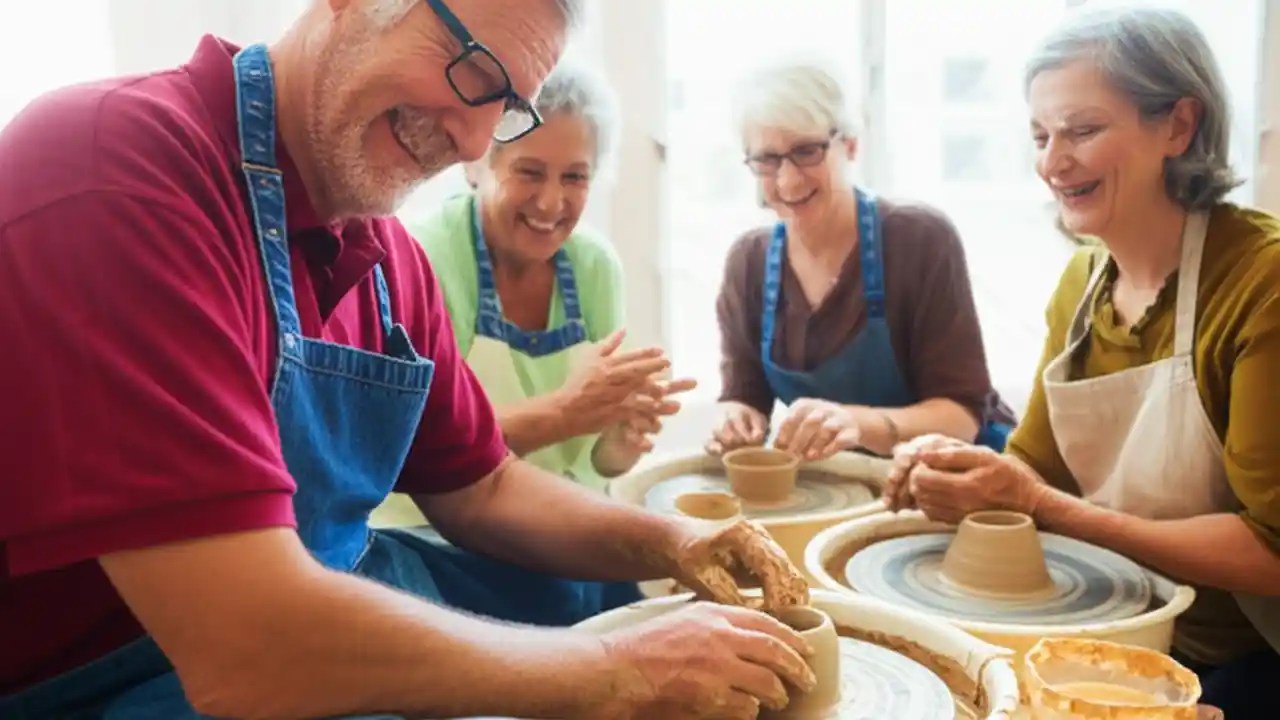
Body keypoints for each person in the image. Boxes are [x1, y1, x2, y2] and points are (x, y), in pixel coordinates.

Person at [0, 1, 816, 718]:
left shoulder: (386, 255)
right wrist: (612, 673)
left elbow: (484, 488)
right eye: (472, 70)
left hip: (342, 582)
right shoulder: (115, 168)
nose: (469, 140)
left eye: (505, 109)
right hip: (131, 666)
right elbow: (246, 649)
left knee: (605, 592)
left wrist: (672, 542)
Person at [884, 7, 1280, 718]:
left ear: (1178, 127)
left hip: (1254, 656)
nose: (1051, 161)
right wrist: (958, 470)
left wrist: (1040, 506)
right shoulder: (1082, 283)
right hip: (1132, 630)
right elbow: (1036, 470)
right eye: (1040, 136)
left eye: (1082, 130)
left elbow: (1271, 552)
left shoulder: (1262, 282)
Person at [406, 61, 695, 492]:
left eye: (574, 177)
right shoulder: (427, 256)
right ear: (475, 164)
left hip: (551, 518)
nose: (550, 202)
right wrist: (564, 412)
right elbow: (423, 446)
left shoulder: (594, 264)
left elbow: (595, 465)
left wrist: (622, 439)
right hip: (432, 525)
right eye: (530, 172)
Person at [708, 59, 1016, 462]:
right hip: (843, 483)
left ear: (850, 145)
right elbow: (744, 397)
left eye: (807, 151)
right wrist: (735, 419)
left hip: (954, 476)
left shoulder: (919, 239)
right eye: (767, 159)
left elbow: (962, 415)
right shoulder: (748, 262)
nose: (788, 180)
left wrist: (856, 423)